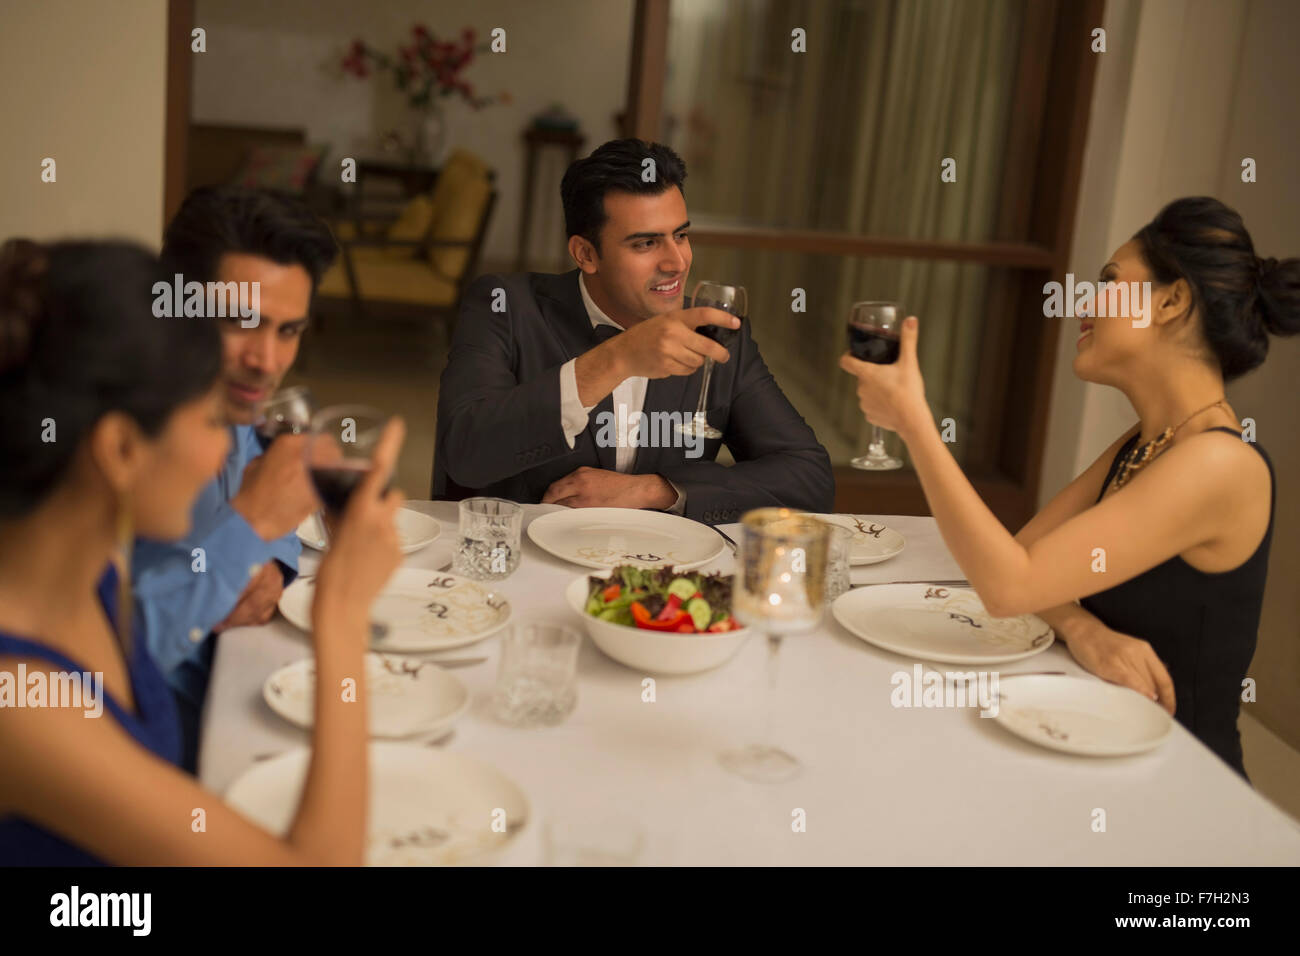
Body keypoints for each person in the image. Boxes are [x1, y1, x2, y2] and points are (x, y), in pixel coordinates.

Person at [838, 196, 1298, 778]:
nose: (1083, 302)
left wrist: (915, 424)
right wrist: (1085, 629)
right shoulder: (1152, 441)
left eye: (1109, 280)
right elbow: (1022, 559)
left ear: (1173, 299)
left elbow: (1008, 586)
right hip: (1103, 743)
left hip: (1180, 782)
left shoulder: (1218, 463)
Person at [0, 239, 405, 864]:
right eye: (212, 423)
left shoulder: (90, 568)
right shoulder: (20, 706)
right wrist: (343, 615)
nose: (227, 455)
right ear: (122, 450)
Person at [432, 139, 834, 524]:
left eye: (681, 235)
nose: (676, 262)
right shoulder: (504, 306)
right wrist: (619, 357)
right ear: (585, 254)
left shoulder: (716, 333)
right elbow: (467, 455)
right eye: (646, 244)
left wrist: (655, 491)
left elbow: (809, 479)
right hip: (521, 565)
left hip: (660, 573)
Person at [133, 187, 336, 771]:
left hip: (238, 700)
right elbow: (93, 664)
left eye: (288, 331)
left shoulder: (234, 407)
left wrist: (271, 558)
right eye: (241, 323)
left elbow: (264, 483)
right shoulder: (119, 435)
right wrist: (250, 529)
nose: (266, 360)